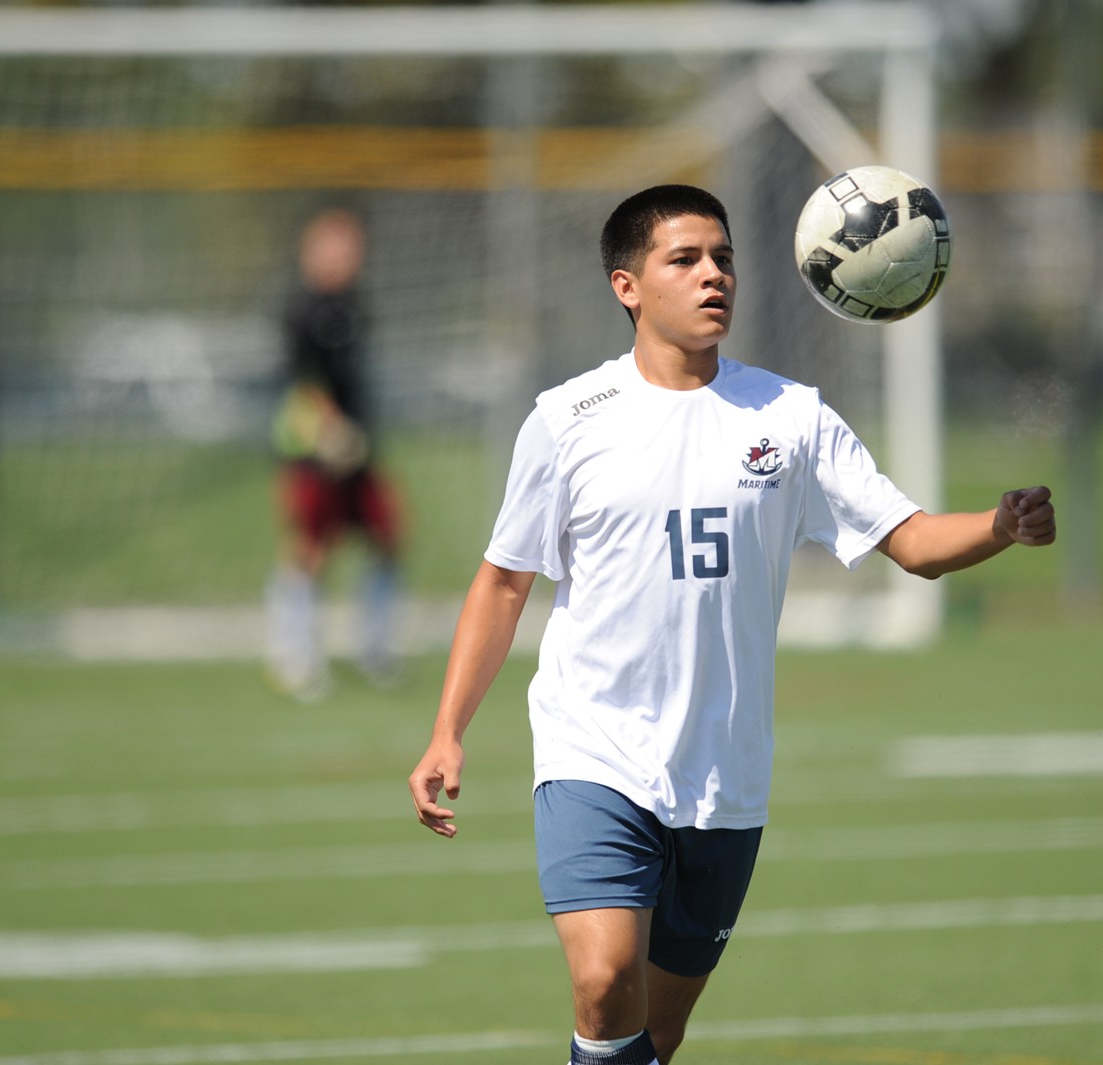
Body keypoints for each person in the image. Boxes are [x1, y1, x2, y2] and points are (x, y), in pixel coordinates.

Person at [407, 185, 1056, 1065]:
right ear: (627, 285)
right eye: (685, 259)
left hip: (724, 773)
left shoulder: (791, 417)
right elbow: (503, 583)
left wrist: (998, 526)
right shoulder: (567, 421)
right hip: (593, 751)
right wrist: (448, 730)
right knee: (604, 985)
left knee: (658, 1033)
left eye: (724, 257)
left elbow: (910, 542)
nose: (714, 275)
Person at [266, 207, 403, 700]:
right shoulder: (300, 309)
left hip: (358, 449)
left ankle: (376, 648)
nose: (347, 257)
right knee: (310, 548)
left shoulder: (356, 304)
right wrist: (330, 430)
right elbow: (301, 383)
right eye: (336, 247)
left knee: (388, 537)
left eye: (352, 247)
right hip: (314, 451)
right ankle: (294, 654)